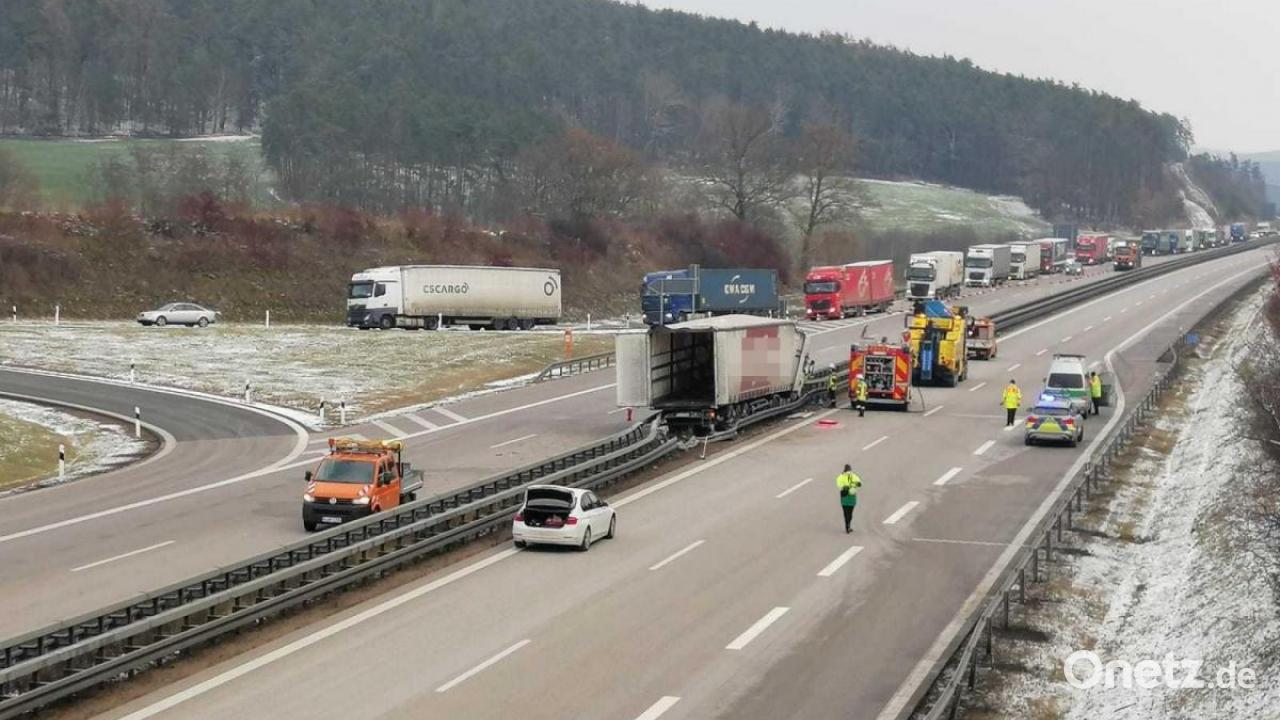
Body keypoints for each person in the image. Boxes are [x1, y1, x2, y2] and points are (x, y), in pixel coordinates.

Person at [836, 464, 863, 533]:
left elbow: (859, 482)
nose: (849, 472)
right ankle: (847, 526)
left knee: (850, 513)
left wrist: (858, 484)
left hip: (851, 495)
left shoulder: (853, 476)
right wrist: (844, 487)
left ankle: (848, 525)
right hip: (845, 495)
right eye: (848, 471)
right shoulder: (841, 477)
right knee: (846, 512)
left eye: (849, 471)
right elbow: (839, 484)